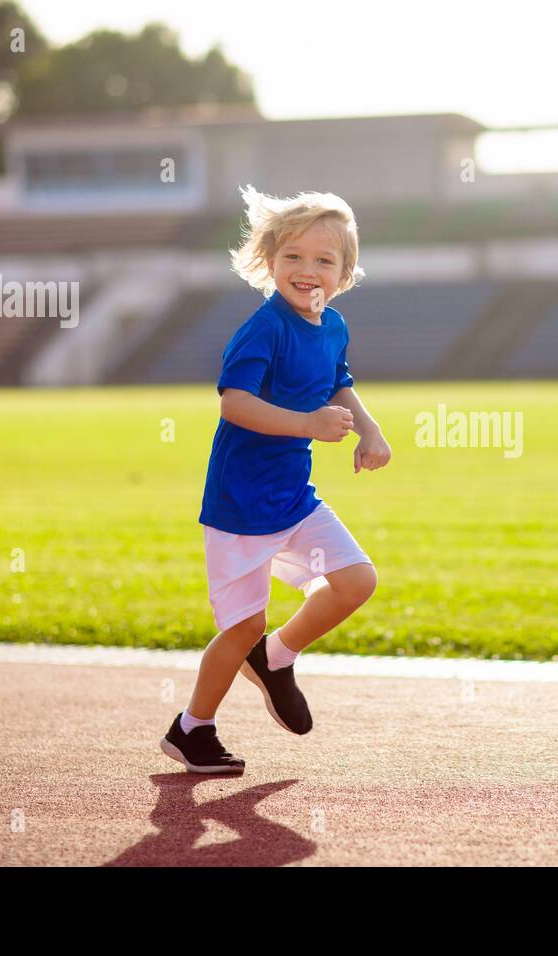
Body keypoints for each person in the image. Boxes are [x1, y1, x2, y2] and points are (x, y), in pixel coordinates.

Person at [161, 188, 391, 773]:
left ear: (344, 273)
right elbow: (234, 404)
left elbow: (338, 382)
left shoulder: (332, 325)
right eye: (292, 257)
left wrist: (369, 430)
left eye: (324, 260)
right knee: (240, 627)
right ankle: (193, 728)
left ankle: (279, 655)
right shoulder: (263, 328)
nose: (307, 271)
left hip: (293, 501)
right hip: (240, 506)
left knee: (356, 581)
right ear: (268, 261)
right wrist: (308, 426)